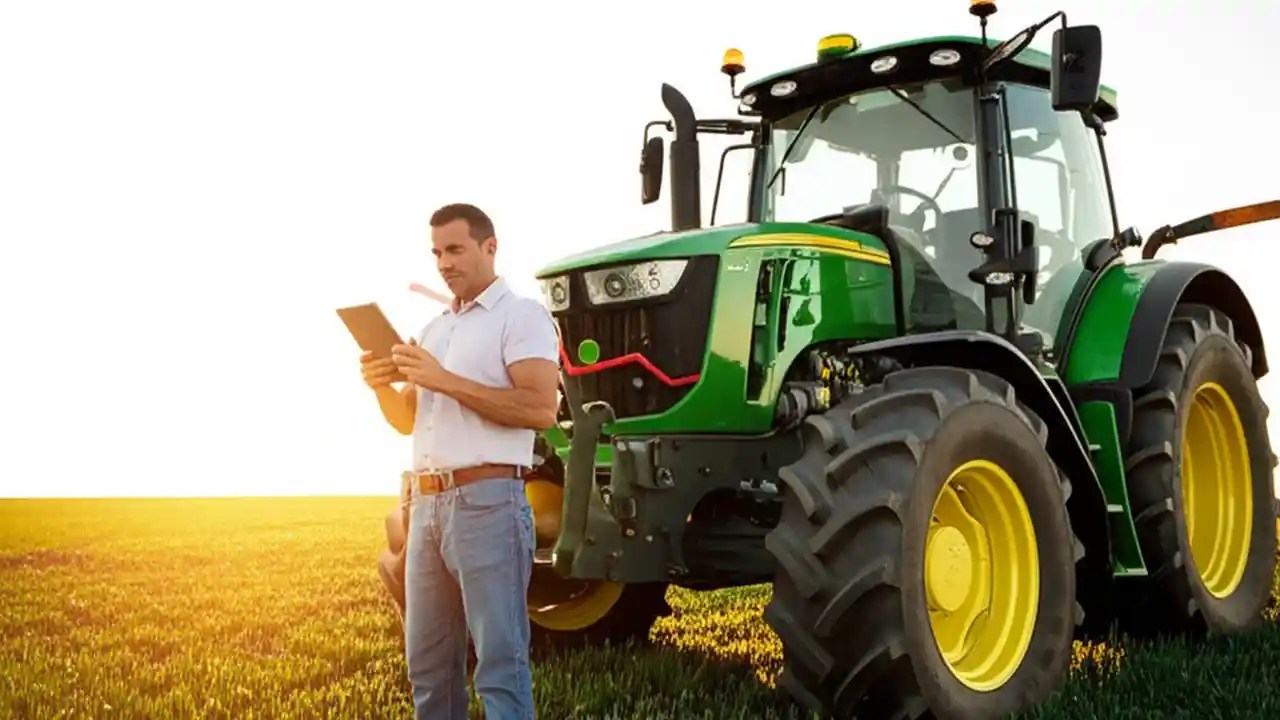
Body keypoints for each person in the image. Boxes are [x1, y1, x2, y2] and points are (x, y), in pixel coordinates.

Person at [359, 202, 560, 720]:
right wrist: (384, 385)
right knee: (427, 665)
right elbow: (407, 420)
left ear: (489, 247)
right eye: (436, 252)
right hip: (424, 507)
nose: (444, 262)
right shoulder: (434, 330)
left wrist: (440, 377)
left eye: (455, 249)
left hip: (487, 504)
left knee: (499, 665)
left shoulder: (522, 317)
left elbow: (539, 408)